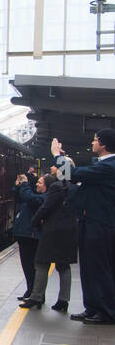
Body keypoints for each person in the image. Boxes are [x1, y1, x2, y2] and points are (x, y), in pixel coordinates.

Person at [53, 131, 115, 324]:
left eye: (95, 139)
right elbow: (73, 176)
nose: (92, 142)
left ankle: (105, 311)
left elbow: (72, 174)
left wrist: (57, 156)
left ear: (103, 144)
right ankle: (93, 307)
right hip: (92, 222)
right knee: (89, 267)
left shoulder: (110, 166)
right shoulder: (103, 166)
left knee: (99, 268)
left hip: (101, 224)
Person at [20, 174, 76, 311]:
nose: (52, 169)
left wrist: (34, 221)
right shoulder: (72, 187)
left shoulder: (56, 187)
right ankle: (63, 300)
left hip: (54, 231)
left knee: (41, 263)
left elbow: (46, 208)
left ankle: (36, 297)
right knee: (63, 265)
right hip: (69, 229)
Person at [11, 172, 45, 299]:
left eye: (40, 183)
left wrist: (25, 185)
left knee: (32, 265)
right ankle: (31, 290)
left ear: (46, 186)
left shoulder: (43, 197)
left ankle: (36, 294)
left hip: (31, 235)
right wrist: (18, 187)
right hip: (24, 234)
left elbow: (30, 199)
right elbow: (20, 198)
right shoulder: (35, 195)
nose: (37, 184)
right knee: (27, 265)